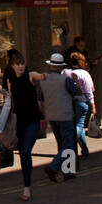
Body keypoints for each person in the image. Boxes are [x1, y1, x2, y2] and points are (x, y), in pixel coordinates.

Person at [3, 50, 46, 201]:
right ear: (12, 66)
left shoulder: (30, 75)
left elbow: (38, 76)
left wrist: (43, 76)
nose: (20, 66)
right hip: (19, 121)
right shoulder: (10, 80)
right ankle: (27, 184)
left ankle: (27, 187)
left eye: (22, 63)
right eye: (17, 64)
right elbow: (9, 99)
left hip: (33, 120)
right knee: (22, 153)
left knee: (26, 151)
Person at [39, 52, 77, 182]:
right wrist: (76, 82)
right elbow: (77, 92)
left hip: (51, 116)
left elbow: (40, 100)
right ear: (61, 67)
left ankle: (68, 172)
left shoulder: (43, 81)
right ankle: (54, 167)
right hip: (65, 116)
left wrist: (42, 117)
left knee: (61, 144)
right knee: (68, 145)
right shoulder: (66, 80)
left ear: (50, 66)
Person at [69, 52, 96, 159]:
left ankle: (84, 149)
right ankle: (70, 144)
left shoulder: (66, 73)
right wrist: (93, 105)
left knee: (78, 124)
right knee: (79, 125)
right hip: (82, 102)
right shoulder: (84, 74)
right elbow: (89, 91)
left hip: (70, 102)